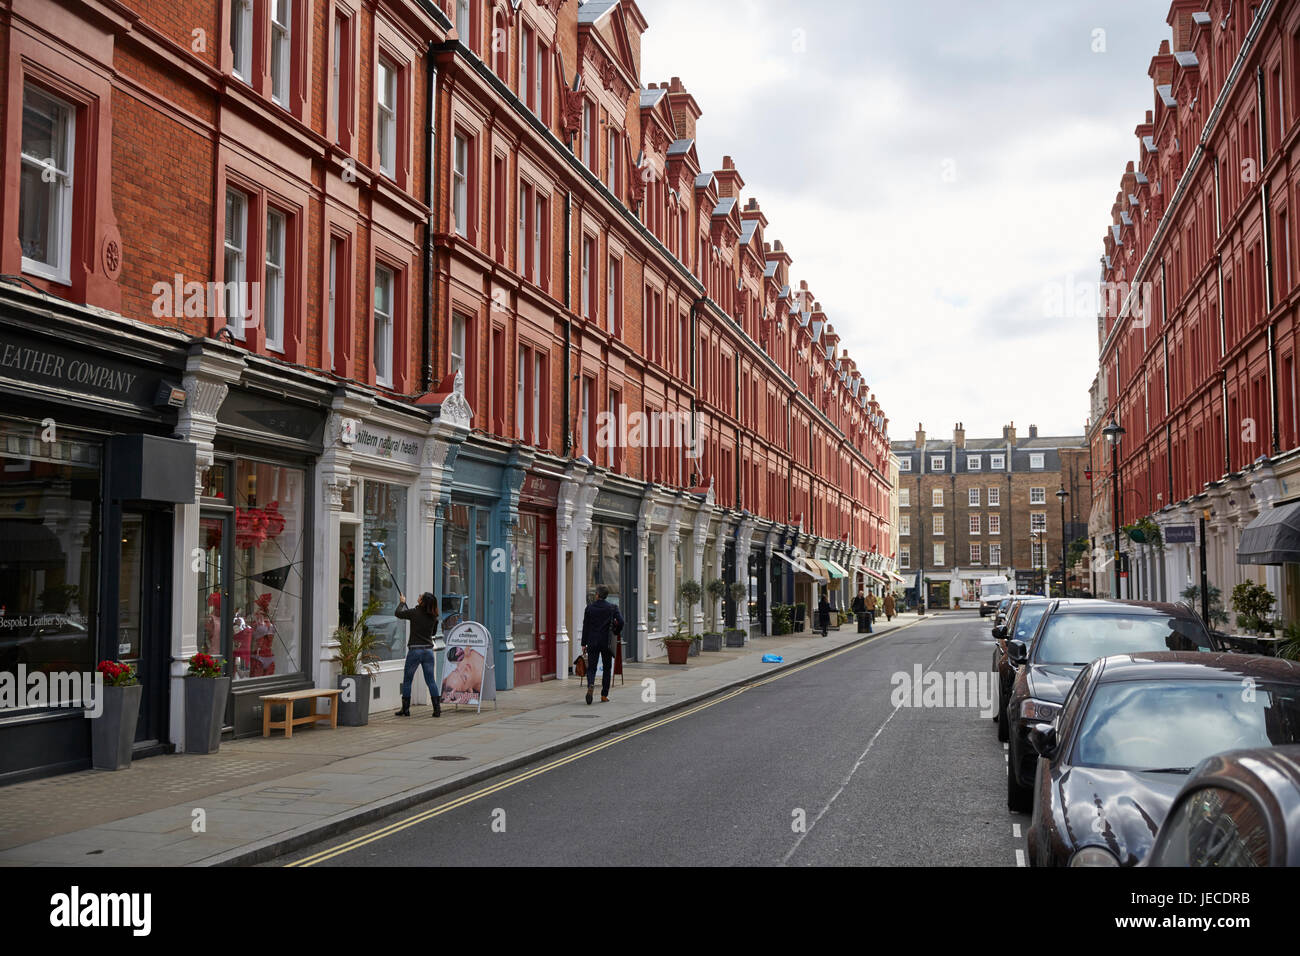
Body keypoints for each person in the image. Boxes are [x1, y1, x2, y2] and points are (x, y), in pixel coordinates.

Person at [393, 591, 440, 717]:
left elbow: (397, 613)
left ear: (422, 601)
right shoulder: (434, 616)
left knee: (408, 680)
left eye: (420, 596)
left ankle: (405, 709)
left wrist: (402, 603)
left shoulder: (414, 612)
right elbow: (433, 633)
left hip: (415, 650)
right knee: (431, 680)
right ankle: (437, 709)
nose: (418, 597)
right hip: (428, 651)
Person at [581, 585, 624, 705]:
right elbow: (621, 622)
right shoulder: (612, 608)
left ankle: (590, 684)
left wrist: (584, 643)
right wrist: (615, 631)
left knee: (592, 667)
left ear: (597, 595)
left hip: (592, 641)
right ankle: (604, 695)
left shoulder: (589, 608)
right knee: (607, 668)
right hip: (607, 642)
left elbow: (586, 627)